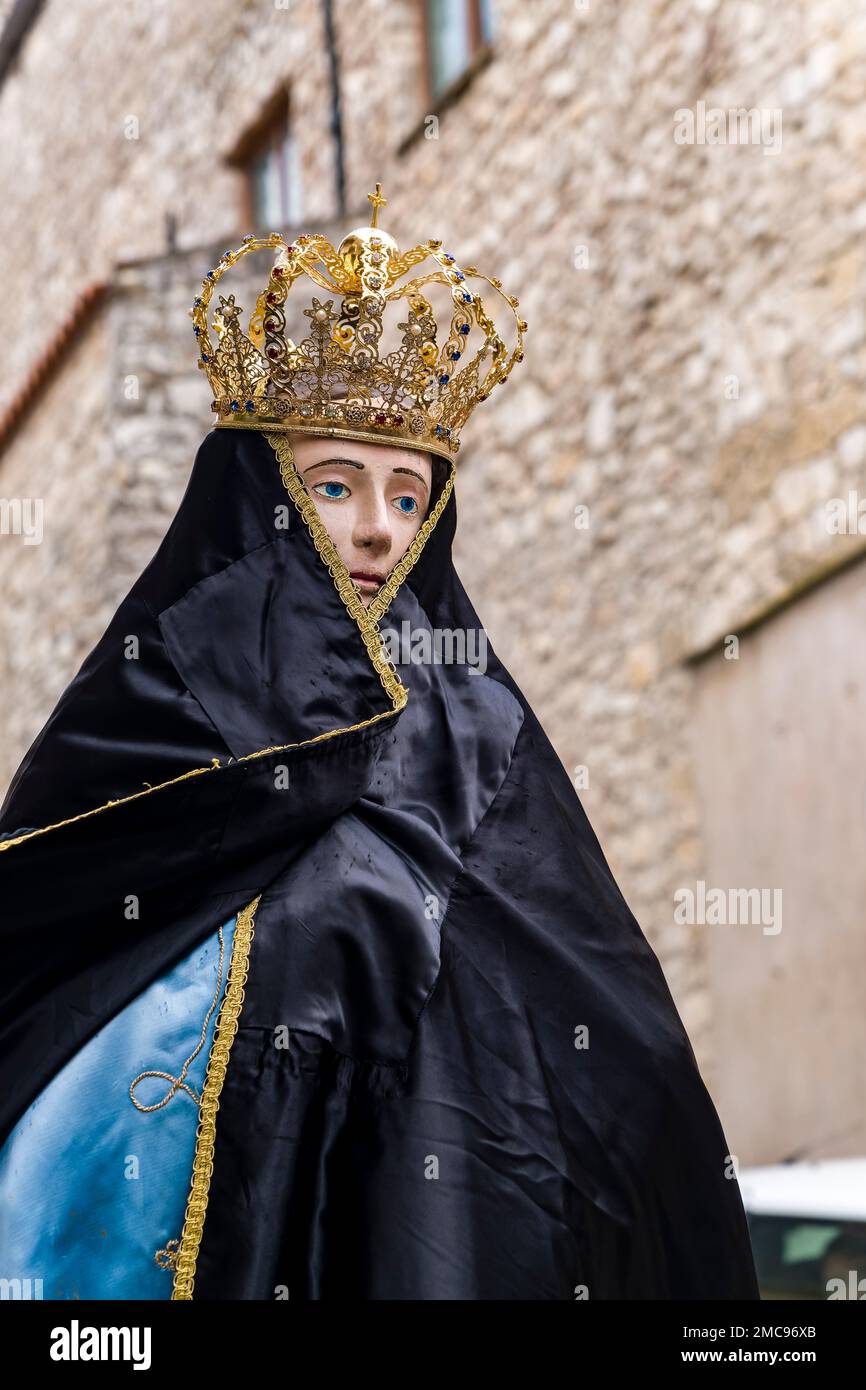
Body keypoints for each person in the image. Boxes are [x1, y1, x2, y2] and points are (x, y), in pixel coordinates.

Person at [0, 187, 761, 1301]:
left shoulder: (479, 732)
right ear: (260, 492)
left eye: (407, 496)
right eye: (335, 484)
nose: (374, 527)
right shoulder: (158, 695)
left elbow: (596, 1019)